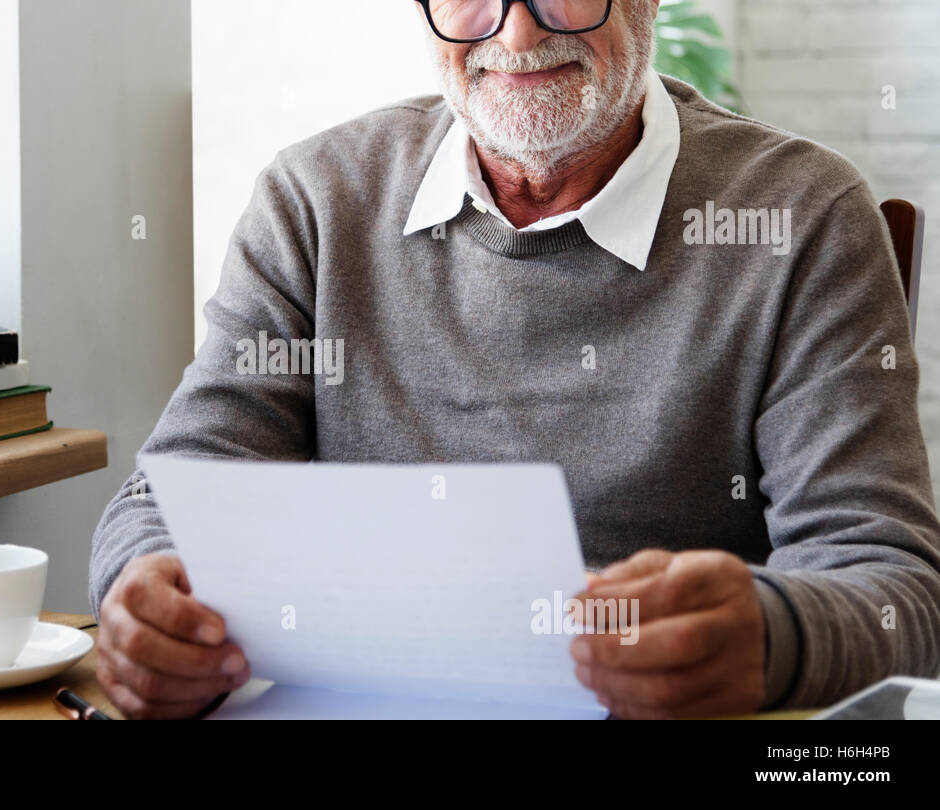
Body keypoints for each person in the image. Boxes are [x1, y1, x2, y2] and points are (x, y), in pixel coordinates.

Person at [90, 0, 940, 719]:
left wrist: (772, 631)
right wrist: (145, 598)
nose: (518, 35)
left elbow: (898, 591)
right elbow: (170, 490)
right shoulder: (315, 200)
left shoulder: (804, 216)